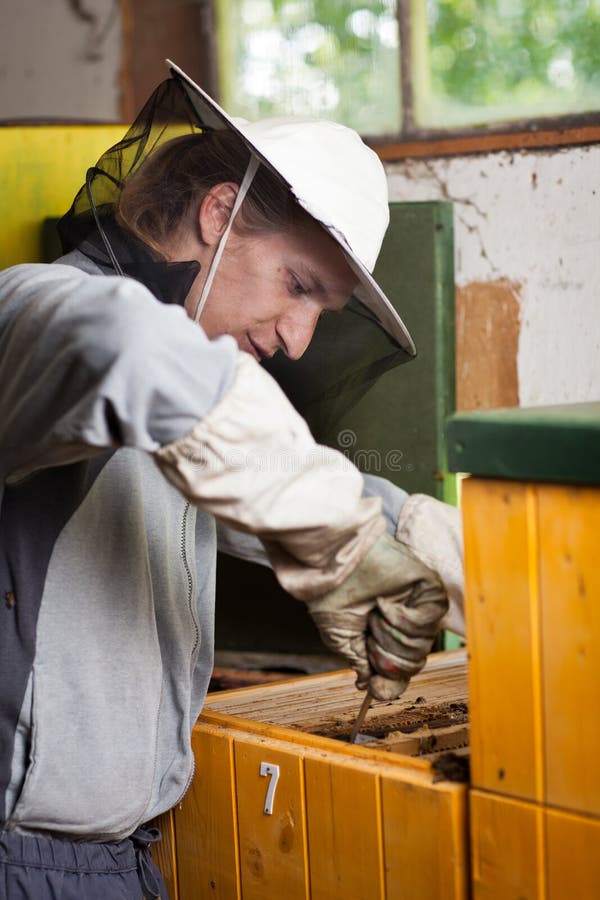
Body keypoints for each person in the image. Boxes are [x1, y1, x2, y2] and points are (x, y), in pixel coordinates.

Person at [0, 62, 463, 898]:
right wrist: (338, 541)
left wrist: (453, 555)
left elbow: (304, 491)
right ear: (218, 214)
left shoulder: (189, 420)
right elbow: (135, 356)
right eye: (297, 287)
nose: (295, 339)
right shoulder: (35, 314)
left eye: (321, 311)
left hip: (121, 860)